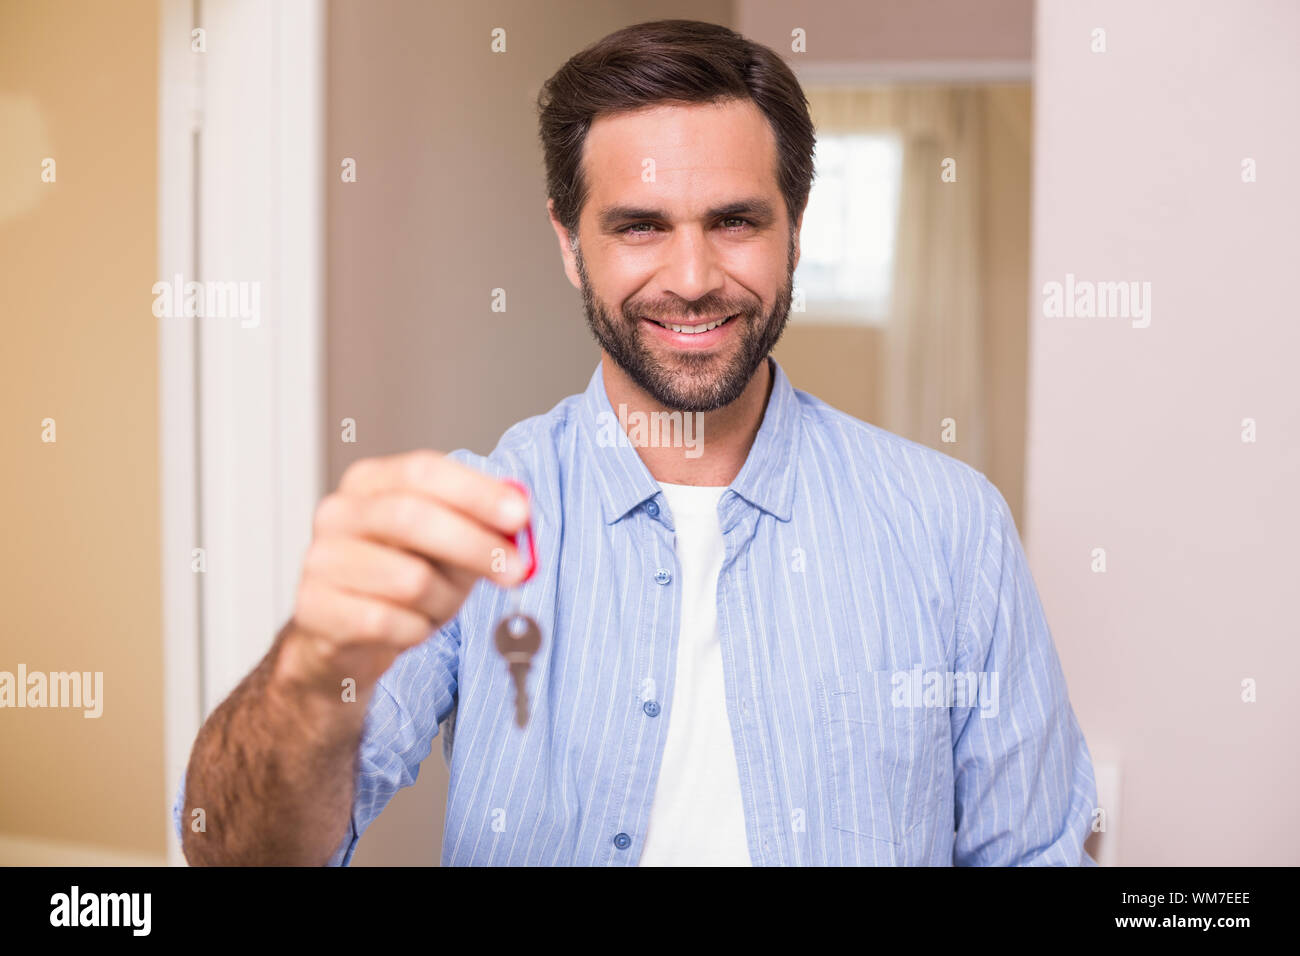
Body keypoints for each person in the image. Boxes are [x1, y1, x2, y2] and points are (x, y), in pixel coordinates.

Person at [174, 18, 1098, 866]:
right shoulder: (474, 528)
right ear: (571, 244)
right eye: (641, 227)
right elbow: (234, 855)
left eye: (736, 221)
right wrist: (306, 675)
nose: (692, 279)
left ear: (796, 232)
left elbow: (1038, 855)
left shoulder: (951, 524)